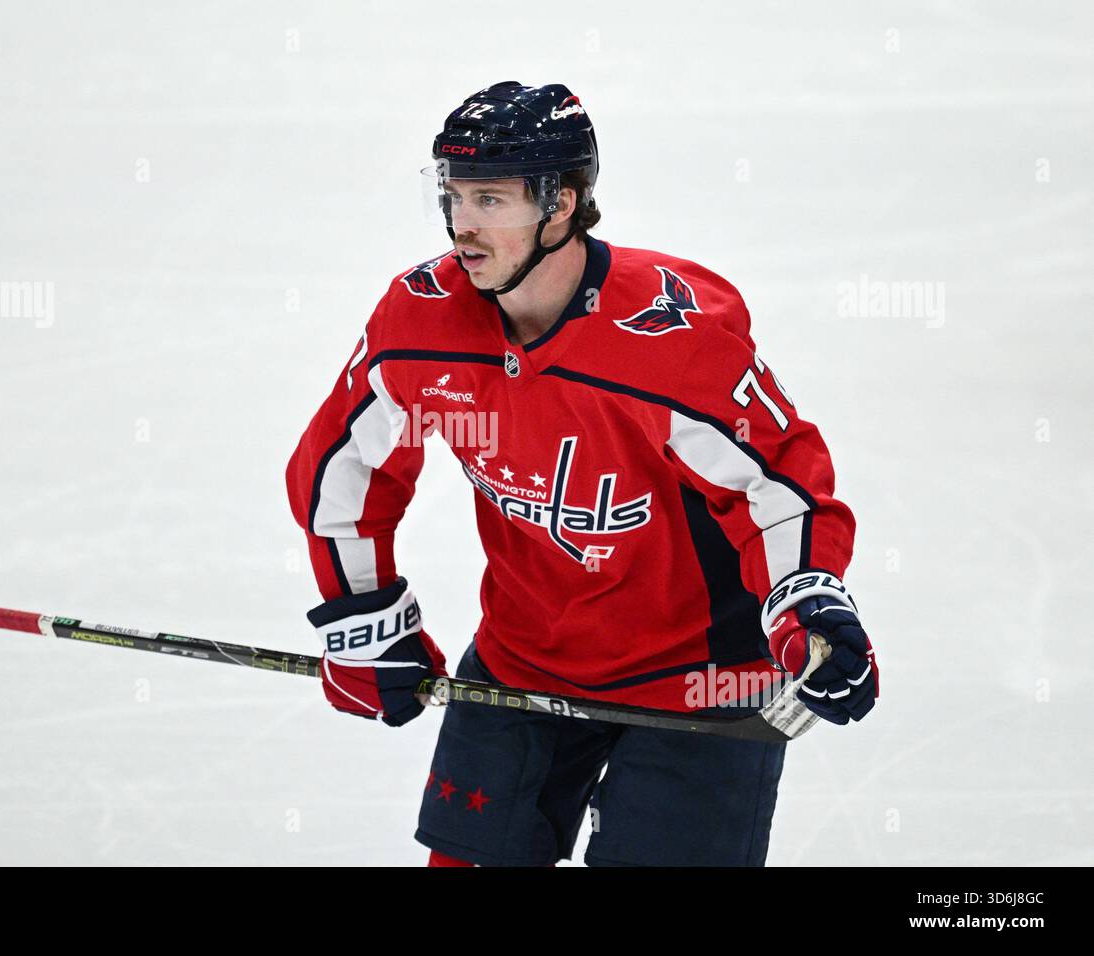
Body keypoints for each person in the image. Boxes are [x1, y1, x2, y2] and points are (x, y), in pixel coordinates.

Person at [285, 81, 879, 867]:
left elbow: (773, 486)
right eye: (453, 196)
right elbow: (346, 470)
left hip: (700, 681)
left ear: (559, 202)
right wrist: (365, 618)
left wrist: (806, 602)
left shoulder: (668, 340)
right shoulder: (421, 324)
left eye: (489, 200)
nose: (462, 225)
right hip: (524, 658)